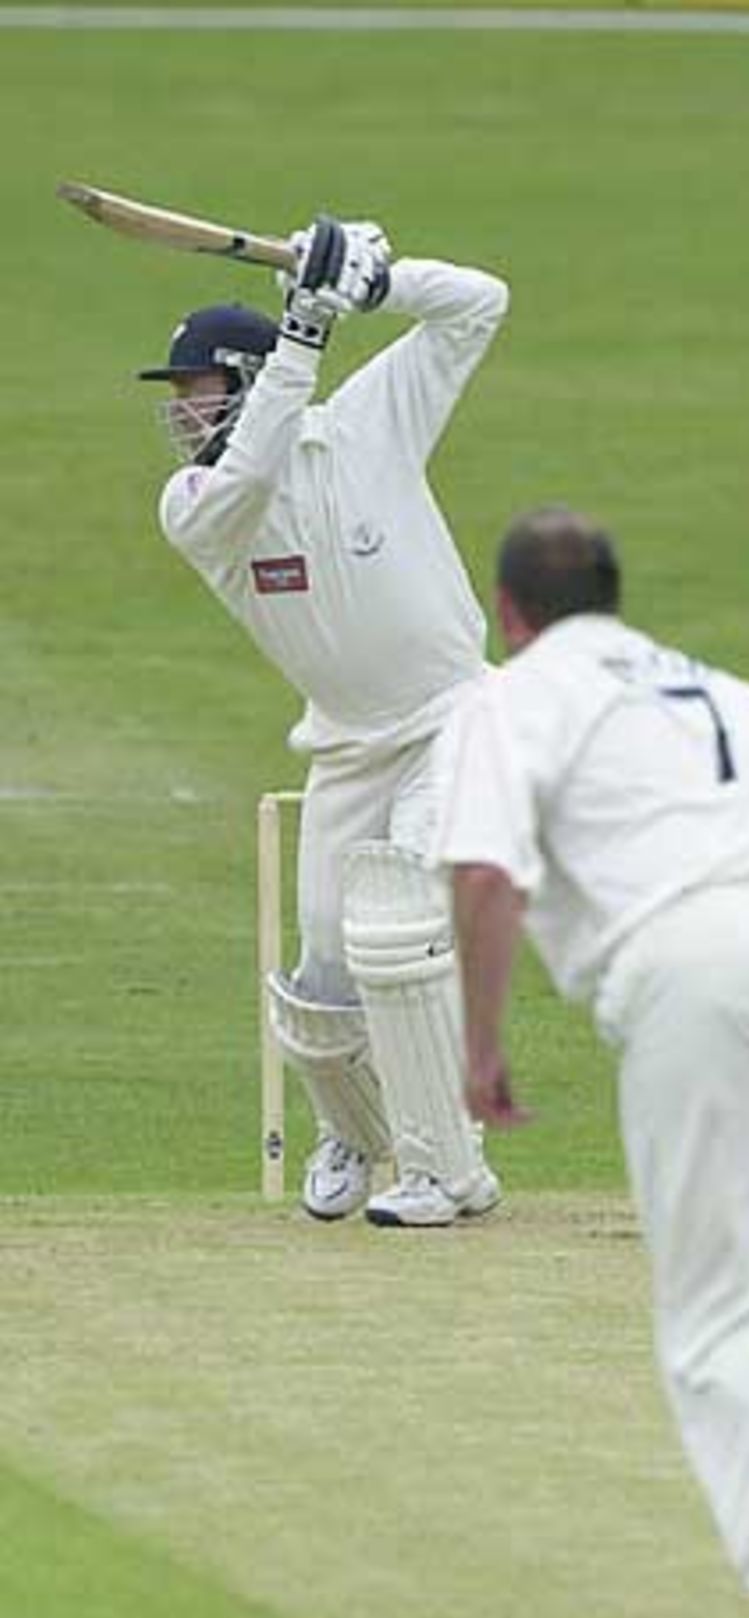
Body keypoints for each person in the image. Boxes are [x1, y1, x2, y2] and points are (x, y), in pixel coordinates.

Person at [429, 507, 749, 1618]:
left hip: (696, 965)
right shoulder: (730, 690)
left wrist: (479, 1043)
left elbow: (490, 871)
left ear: (509, 614)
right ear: (610, 594)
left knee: (707, 1314)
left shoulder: (513, 696)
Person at [138, 214, 509, 1229]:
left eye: (197, 390)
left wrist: (378, 281)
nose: (182, 414)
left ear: (248, 384)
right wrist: (302, 329)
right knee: (320, 976)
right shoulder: (197, 503)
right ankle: (353, 1132)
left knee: (399, 925)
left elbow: (480, 302)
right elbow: (252, 477)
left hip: (451, 718)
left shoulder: (365, 423)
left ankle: (447, 1171)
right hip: (346, 743)